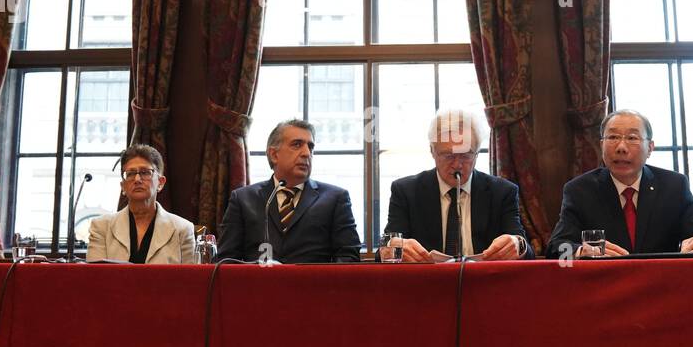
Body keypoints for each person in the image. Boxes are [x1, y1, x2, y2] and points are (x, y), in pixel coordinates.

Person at [546, 109, 693, 258]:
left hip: (663, 286)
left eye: (632, 138)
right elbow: (556, 249)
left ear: (650, 148)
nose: (621, 147)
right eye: (612, 137)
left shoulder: (674, 186)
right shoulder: (580, 190)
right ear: (601, 145)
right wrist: (581, 252)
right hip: (604, 288)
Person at [383, 107, 532, 261]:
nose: (457, 165)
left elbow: (526, 251)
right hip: (425, 282)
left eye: (466, 155)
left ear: (476, 153)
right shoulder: (406, 192)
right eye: (448, 156)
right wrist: (393, 248)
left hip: (485, 281)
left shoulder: (502, 192)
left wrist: (517, 244)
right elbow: (383, 251)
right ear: (432, 151)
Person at [217, 119, 362, 263]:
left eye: (310, 147)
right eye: (297, 145)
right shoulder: (243, 199)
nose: (306, 153)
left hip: (314, 285)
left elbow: (349, 257)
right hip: (260, 285)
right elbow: (227, 259)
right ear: (274, 155)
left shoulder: (335, 198)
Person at [87, 145, 198, 264]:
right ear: (123, 186)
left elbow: (190, 280)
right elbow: (95, 278)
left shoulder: (183, 229)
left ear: (160, 183)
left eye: (145, 172)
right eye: (130, 173)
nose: (137, 179)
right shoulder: (101, 227)